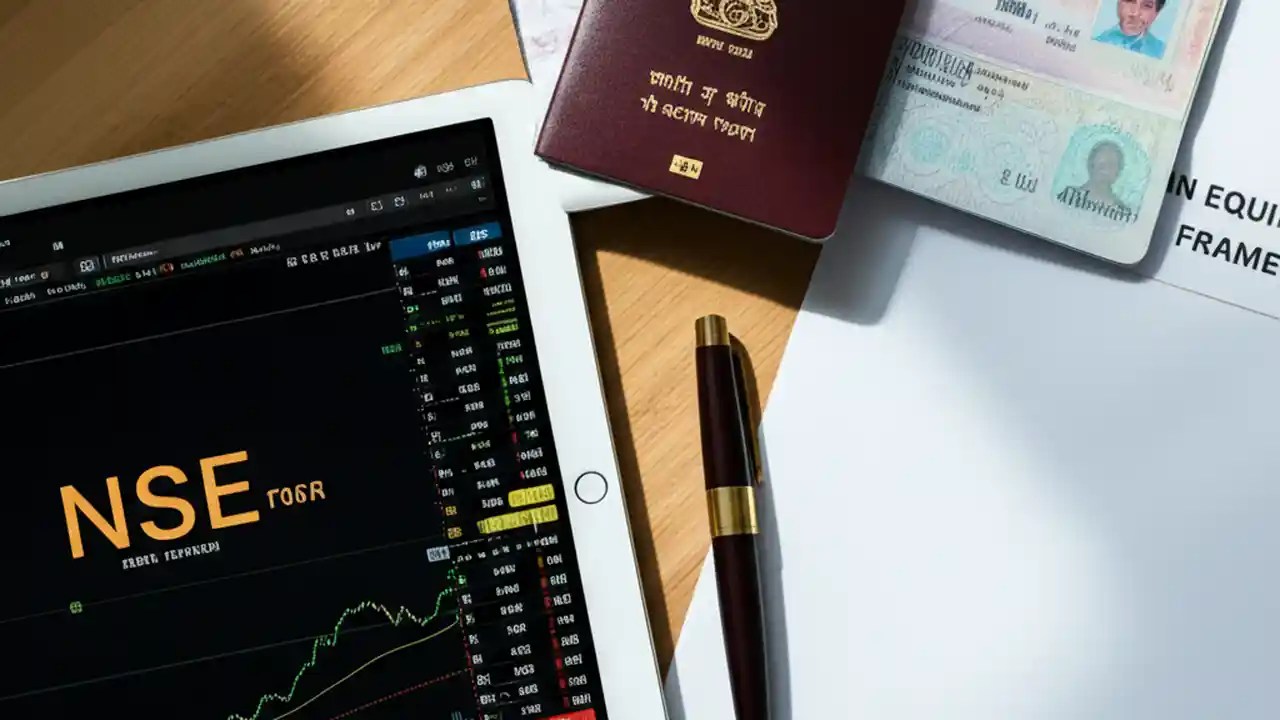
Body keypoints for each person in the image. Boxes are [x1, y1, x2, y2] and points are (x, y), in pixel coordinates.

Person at [1094, 0, 1167, 59]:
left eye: (1147, 5)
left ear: (1156, 14)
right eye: (1129, 0)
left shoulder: (1162, 52)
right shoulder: (1097, 41)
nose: (1135, 13)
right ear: (1118, 3)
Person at [1073, 141, 1128, 211]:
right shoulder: (1069, 196)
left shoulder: (1122, 211)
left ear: (1118, 171)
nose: (1106, 169)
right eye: (1102, 164)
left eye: (1111, 165)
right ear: (1091, 165)